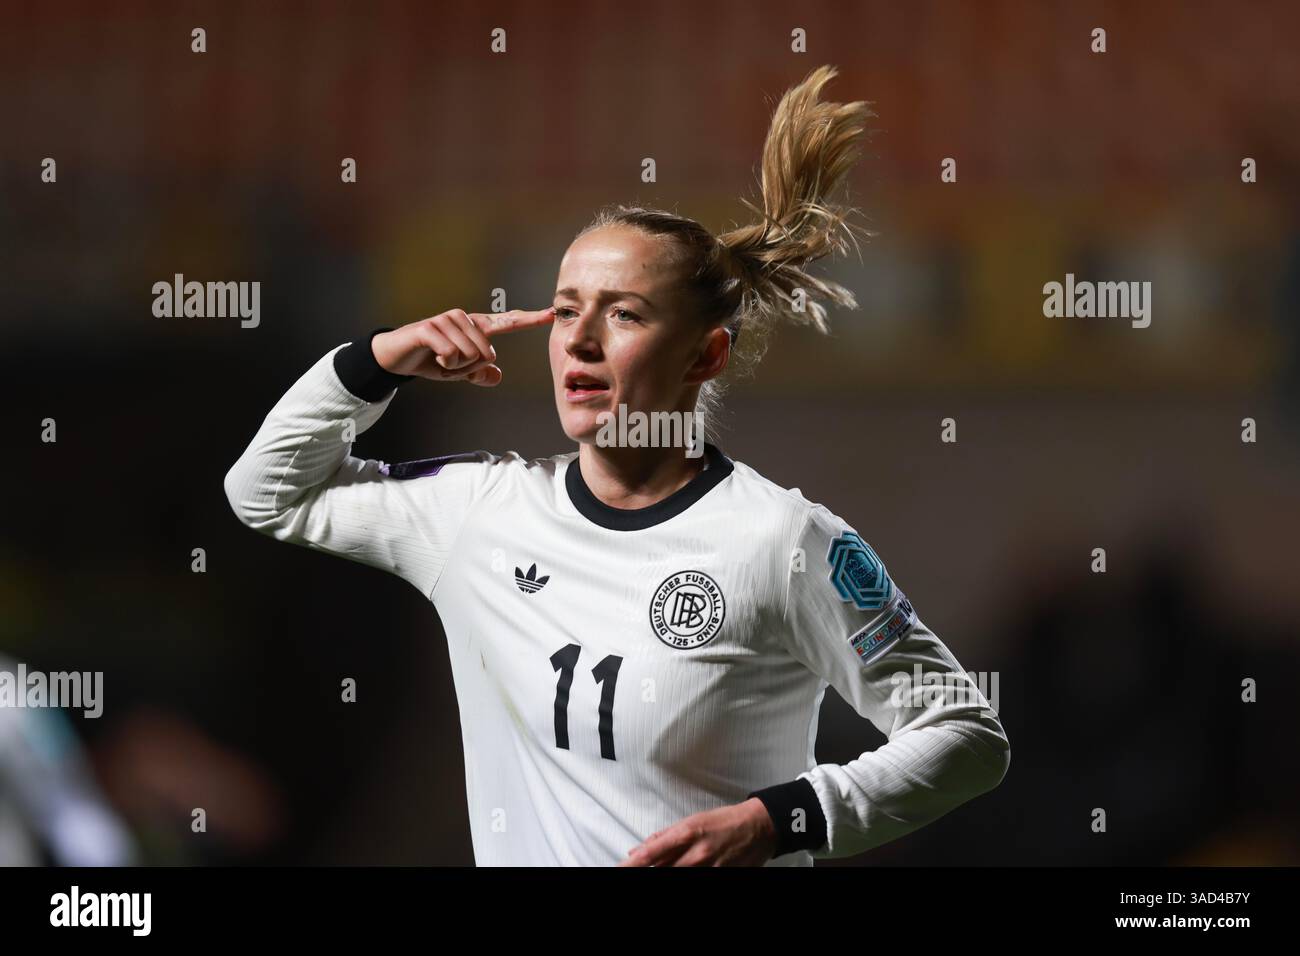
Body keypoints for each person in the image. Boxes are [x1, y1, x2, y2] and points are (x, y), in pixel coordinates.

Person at [224, 65, 1009, 866]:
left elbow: (966, 736)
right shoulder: (480, 512)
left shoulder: (782, 540)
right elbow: (265, 494)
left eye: (624, 313)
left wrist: (779, 819)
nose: (581, 339)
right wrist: (377, 361)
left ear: (705, 354)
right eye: (567, 310)